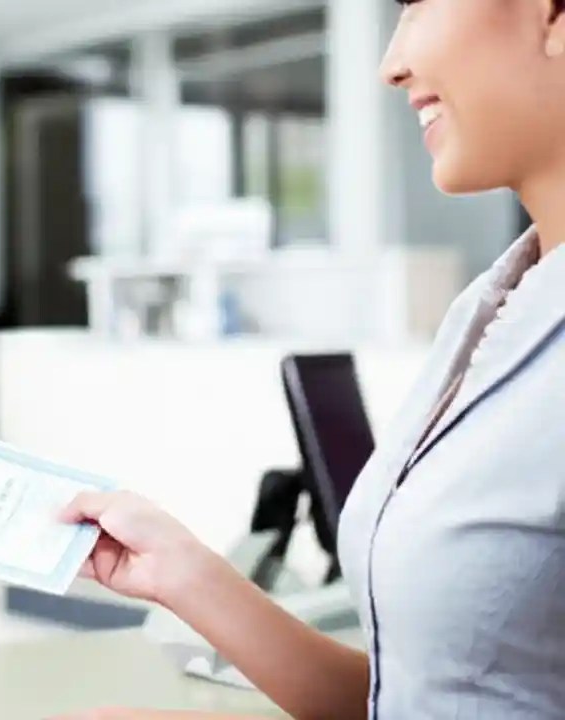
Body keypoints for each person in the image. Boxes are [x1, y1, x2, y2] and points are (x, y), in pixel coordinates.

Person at [55, 1, 565, 719]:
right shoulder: (492, 304)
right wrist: (185, 572)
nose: (392, 64)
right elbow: (414, 700)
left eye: (419, 5)